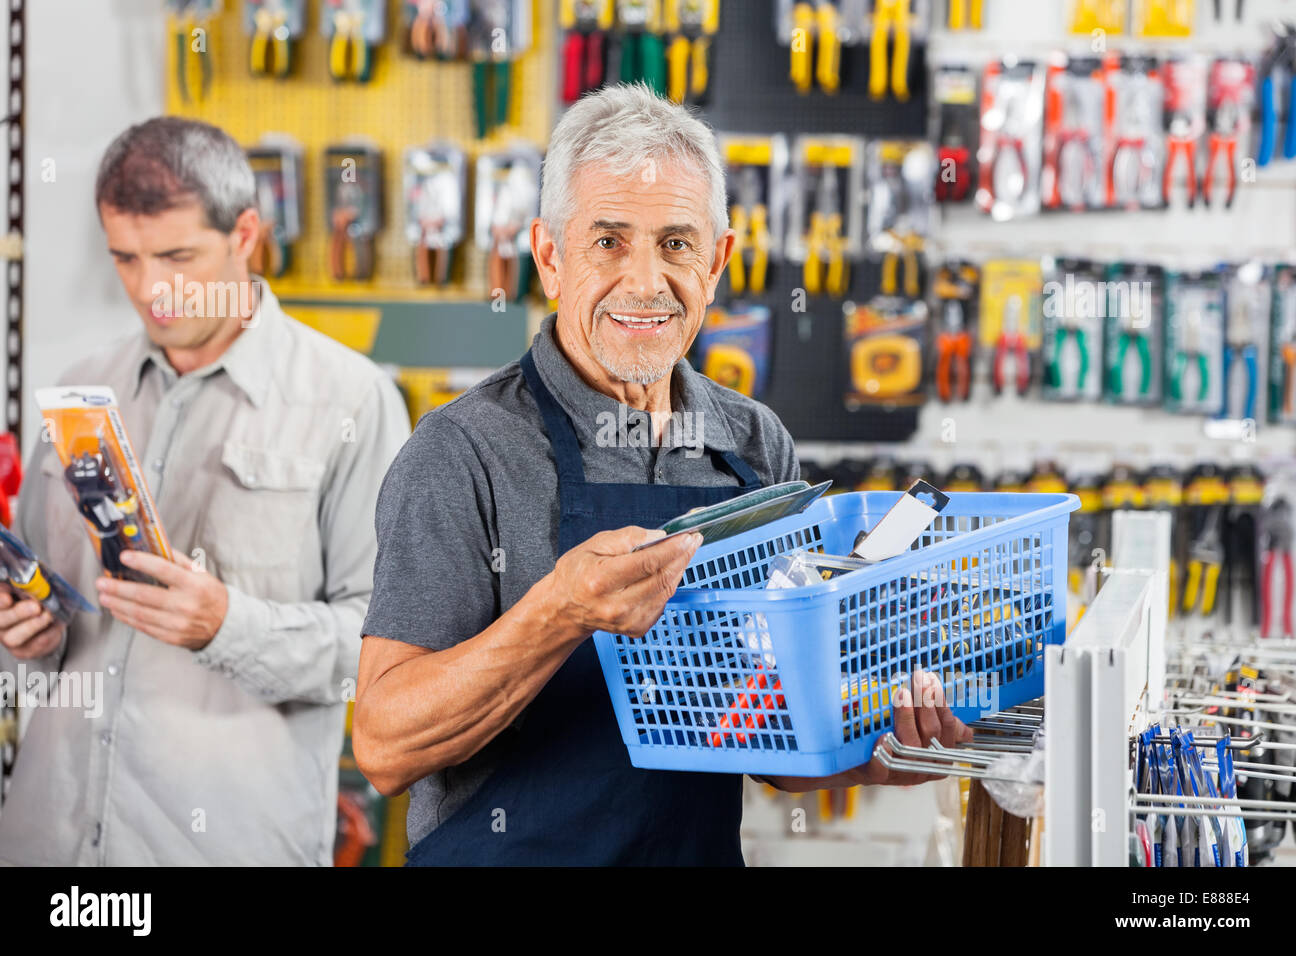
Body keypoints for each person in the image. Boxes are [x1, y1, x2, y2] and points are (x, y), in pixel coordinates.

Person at [354, 84, 972, 867]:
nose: (646, 282)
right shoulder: (461, 452)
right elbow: (383, 744)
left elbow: (770, 742)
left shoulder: (753, 446)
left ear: (717, 262)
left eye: (676, 243)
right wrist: (559, 612)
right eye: (608, 242)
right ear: (549, 256)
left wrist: (882, 751)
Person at [0, 117, 410, 865]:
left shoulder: (351, 401)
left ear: (245, 234)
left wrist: (227, 625)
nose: (151, 289)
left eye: (177, 256)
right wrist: (26, 634)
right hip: (47, 843)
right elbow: (36, 629)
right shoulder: (80, 390)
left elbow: (381, 649)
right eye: (124, 257)